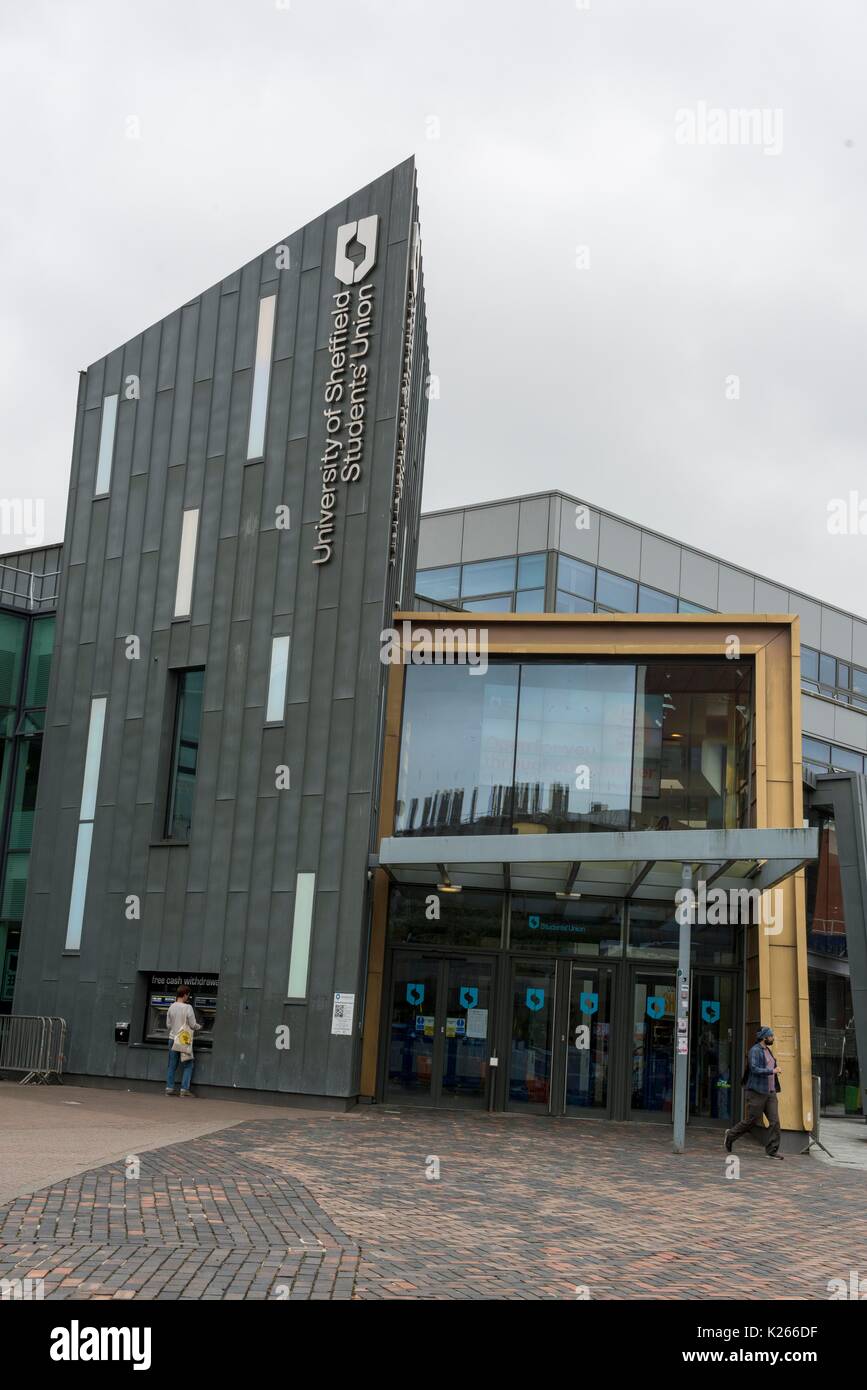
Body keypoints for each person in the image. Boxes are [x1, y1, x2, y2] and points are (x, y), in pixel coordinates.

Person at [724, 1025, 783, 1159]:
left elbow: (770, 1067)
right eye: (771, 1036)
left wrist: (775, 1071)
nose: (773, 1038)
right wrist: (772, 1071)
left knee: (775, 1122)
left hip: (770, 1092)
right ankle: (731, 1135)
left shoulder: (768, 1050)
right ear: (764, 1037)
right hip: (757, 1091)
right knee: (752, 1120)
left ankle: (772, 1151)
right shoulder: (754, 1051)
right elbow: (754, 1068)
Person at [165, 986, 201, 1097]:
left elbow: (168, 1025)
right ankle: (184, 1090)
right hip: (183, 1040)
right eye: (188, 995)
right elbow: (192, 1024)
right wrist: (199, 1027)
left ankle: (169, 1088)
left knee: (172, 1065)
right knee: (188, 1064)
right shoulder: (188, 1007)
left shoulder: (171, 1007)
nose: (188, 997)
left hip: (172, 1039)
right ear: (184, 994)